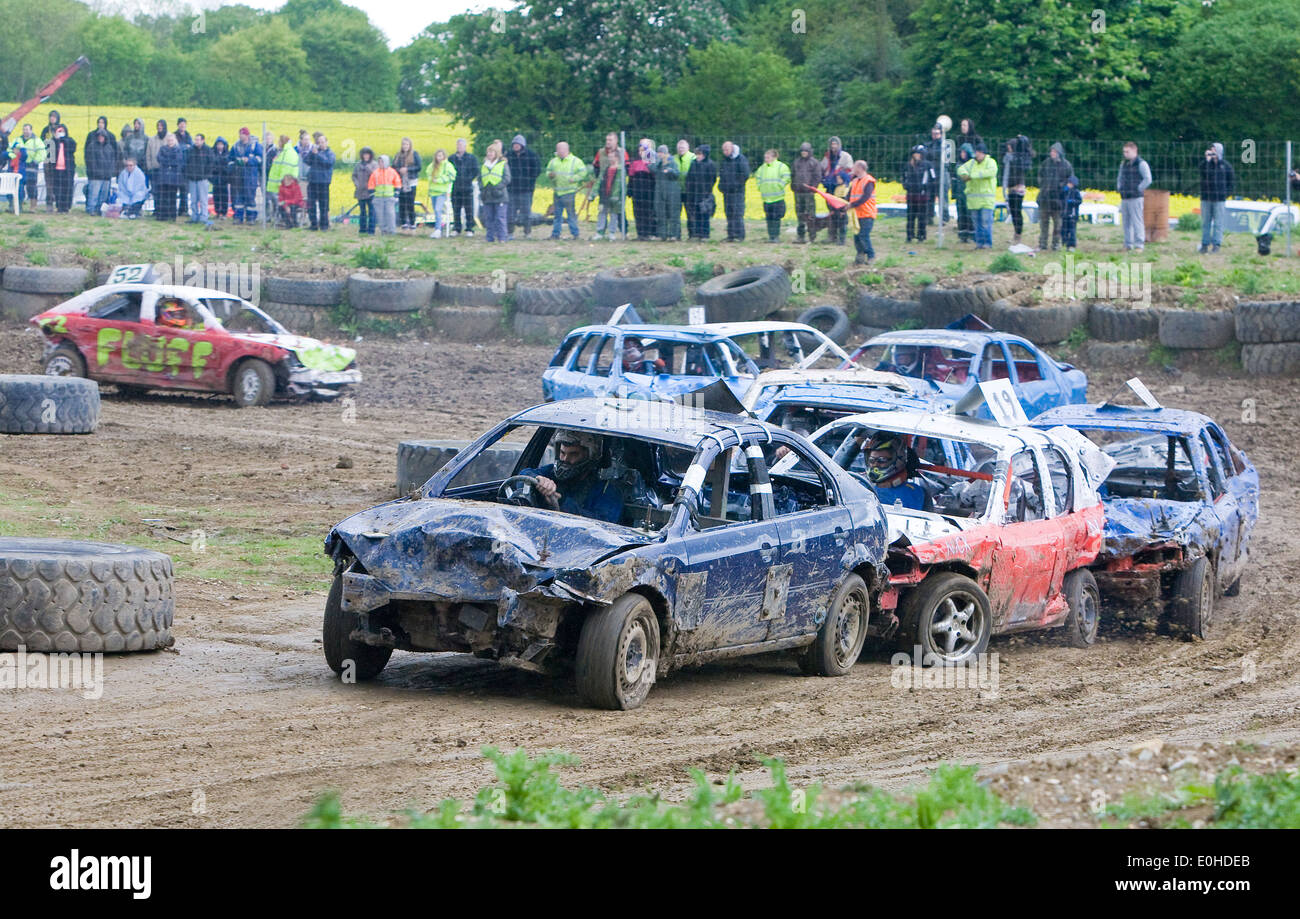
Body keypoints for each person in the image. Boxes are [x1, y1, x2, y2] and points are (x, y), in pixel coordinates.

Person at [518, 430, 624, 523]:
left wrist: (561, 502)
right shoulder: (549, 472)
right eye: (562, 453)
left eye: (573, 454)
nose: (565, 459)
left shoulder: (606, 491)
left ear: (590, 456)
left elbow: (603, 525)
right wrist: (537, 480)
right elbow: (523, 475)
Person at [865, 433, 926, 510]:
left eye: (882, 460)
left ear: (898, 461)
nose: (875, 465)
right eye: (871, 460)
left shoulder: (911, 491)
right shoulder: (861, 484)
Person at [958, 142, 998, 249]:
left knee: (986, 223)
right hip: (973, 200)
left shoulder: (991, 162)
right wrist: (964, 175)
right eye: (976, 152)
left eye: (979, 153)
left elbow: (991, 172)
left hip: (986, 200)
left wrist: (972, 176)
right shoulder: (971, 163)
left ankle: (987, 243)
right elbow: (960, 169)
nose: (977, 155)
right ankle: (979, 243)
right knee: (977, 224)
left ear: (984, 153)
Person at [546, 141, 587, 240]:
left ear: (566, 150)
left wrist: (574, 178)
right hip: (557, 192)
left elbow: (583, 172)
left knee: (571, 214)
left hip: (569, 192)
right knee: (557, 215)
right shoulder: (553, 161)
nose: (559, 151)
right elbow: (547, 172)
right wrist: (550, 175)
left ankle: (575, 234)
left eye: (561, 149)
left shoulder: (575, 161)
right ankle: (555, 234)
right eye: (557, 149)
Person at [1199, 142, 1234, 254]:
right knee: (1206, 222)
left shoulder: (1226, 166)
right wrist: (1207, 160)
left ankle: (1216, 244)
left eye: (1214, 149)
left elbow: (1231, 182)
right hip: (1206, 198)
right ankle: (1204, 244)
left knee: (1218, 222)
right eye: (1211, 149)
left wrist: (1225, 194)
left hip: (1219, 199)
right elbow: (1202, 172)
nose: (1212, 151)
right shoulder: (1206, 164)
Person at [1036, 142, 1073, 251]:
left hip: (1058, 200)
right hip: (1045, 198)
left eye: (1054, 151)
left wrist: (1061, 187)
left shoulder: (1066, 165)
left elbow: (1070, 180)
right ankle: (1043, 244)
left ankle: (1055, 244)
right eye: (1051, 151)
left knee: (1058, 224)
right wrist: (1043, 186)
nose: (1052, 153)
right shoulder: (1045, 163)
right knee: (1043, 224)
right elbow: (1040, 175)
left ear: (1059, 153)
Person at [1117, 141, 1152, 252]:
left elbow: (1148, 179)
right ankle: (1128, 244)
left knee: (1137, 221)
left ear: (1134, 151)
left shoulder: (1142, 164)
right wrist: (1120, 188)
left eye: (1127, 151)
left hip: (1136, 197)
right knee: (1126, 222)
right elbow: (1120, 177)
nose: (1125, 154)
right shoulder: (1124, 164)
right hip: (1125, 196)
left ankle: (1139, 245)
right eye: (1124, 152)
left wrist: (1138, 189)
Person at [505, 134, 540, 238]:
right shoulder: (508, 156)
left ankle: (527, 232)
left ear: (522, 145)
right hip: (512, 189)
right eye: (514, 144)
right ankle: (510, 232)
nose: (516, 146)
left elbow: (537, 170)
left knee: (526, 212)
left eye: (518, 144)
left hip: (526, 190)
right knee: (510, 212)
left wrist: (529, 180)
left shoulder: (531, 155)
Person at [753, 148, 790, 243]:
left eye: (768, 157)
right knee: (769, 218)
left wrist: (779, 185)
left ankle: (776, 236)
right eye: (765, 157)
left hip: (778, 198)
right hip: (766, 199)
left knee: (776, 218)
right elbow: (758, 178)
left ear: (774, 157)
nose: (766, 159)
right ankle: (771, 236)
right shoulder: (762, 168)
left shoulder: (781, 166)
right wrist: (760, 187)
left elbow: (786, 177)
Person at [820, 136, 853, 245]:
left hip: (841, 189)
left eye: (835, 144)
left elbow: (850, 171)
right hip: (829, 187)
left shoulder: (845, 156)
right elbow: (822, 168)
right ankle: (832, 236)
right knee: (831, 212)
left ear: (839, 145)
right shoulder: (827, 157)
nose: (833, 146)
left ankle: (842, 237)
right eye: (832, 144)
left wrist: (841, 177)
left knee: (841, 213)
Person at [593, 133, 626, 240]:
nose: (608, 142)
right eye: (607, 140)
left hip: (616, 192)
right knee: (602, 212)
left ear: (616, 140)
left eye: (610, 140)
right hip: (604, 189)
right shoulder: (601, 152)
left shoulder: (622, 152)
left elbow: (628, 168)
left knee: (616, 213)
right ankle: (600, 231)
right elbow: (596, 167)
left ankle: (621, 232)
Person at [846, 159, 877, 265]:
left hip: (867, 213)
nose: (852, 169)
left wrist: (851, 205)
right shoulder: (854, 181)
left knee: (864, 235)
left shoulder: (869, 181)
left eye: (854, 167)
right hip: (856, 214)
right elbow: (848, 196)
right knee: (857, 236)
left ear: (860, 168)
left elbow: (865, 197)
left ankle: (871, 256)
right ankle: (860, 256)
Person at [478, 140, 510, 242]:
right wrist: (482, 187)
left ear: (496, 153)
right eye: (488, 152)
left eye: (492, 152)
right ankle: (489, 238)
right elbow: (480, 178)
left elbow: (507, 178)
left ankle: (502, 237)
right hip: (487, 195)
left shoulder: (502, 164)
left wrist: (497, 187)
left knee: (500, 218)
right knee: (489, 218)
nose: (489, 154)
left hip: (499, 195)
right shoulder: (484, 166)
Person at [718, 140, 750, 241]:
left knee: (737, 213)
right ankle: (731, 235)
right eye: (723, 150)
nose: (725, 151)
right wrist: (721, 186)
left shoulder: (740, 159)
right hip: (727, 192)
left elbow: (745, 175)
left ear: (732, 148)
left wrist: (735, 186)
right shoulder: (724, 160)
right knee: (729, 213)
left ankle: (739, 235)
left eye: (726, 149)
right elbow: (722, 174)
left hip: (737, 192)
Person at [684, 143, 717, 240]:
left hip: (705, 194)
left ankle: (705, 235)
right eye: (697, 154)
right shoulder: (693, 163)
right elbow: (689, 178)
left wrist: (707, 191)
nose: (698, 156)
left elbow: (712, 179)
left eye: (700, 154)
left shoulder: (710, 164)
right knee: (696, 214)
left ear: (705, 154)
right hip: (693, 194)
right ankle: (697, 234)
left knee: (704, 214)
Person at [229, 128, 263, 223]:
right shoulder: (235, 146)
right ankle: (238, 217)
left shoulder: (255, 145)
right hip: (238, 175)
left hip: (250, 175)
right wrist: (236, 163)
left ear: (247, 135)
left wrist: (249, 160)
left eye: (242, 134)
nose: (240, 136)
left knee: (250, 197)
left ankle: (251, 217)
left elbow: (260, 159)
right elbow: (230, 159)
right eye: (239, 134)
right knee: (238, 197)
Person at [1003, 135, 1032, 244]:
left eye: (1010, 146)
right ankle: (1016, 234)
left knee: (1017, 212)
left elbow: (1024, 144)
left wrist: (1020, 139)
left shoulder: (1019, 160)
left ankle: (1018, 235)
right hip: (1011, 188)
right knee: (1013, 212)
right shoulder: (1008, 159)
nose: (1008, 148)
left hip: (1018, 188)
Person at [303, 134, 335, 231]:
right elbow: (306, 161)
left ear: (326, 142)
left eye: (322, 142)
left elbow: (328, 163)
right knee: (311, 204)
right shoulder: (315, 152)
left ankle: (324, 225)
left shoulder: (330, 153)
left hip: (323, 182)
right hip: (312, 181)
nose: (320, 144)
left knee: (324, 205)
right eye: (318, 142)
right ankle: (313, 224)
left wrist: (317, 155)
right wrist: (312, 153)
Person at [902, 145, 934, 243]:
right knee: (910, 216)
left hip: (923, 196)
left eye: (918, 154)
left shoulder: (928, 165)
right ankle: (909, 235)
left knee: (922, 217)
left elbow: (933, 179)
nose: (916, 156)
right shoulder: (908, 165)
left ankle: (921, 236)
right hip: (911, 195)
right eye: (915, 154)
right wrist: (906, 185)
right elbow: (903, 177)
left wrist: (928, 189)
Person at [627, 139, 658, 239]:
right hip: (637, 191)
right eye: (640, 150)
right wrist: (630, 189)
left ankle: (650, 233)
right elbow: (631, 177)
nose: (641, 152)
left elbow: (655, 175)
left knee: (649, 212)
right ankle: (641, 233)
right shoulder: (635, 162)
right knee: (638, 212)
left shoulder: (652, 159)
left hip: (649, 191)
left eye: (644, 150)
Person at [448, 138, 478, 236]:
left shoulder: (471, 158)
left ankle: (469, 228)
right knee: (456, 209)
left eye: (461, 145)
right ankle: (457, 228)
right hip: (455, 188)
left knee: (469, 209)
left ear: (465, 146)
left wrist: (468, 179)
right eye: (458, 145)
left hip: (467, 188)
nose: (459, 147)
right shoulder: (451, 158)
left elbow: (475, 170)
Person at [184, 133, 216, 226]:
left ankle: (203, 217)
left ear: (203, 140)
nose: (196, 142)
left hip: (203, 179)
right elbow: (186, 163)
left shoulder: (208, 150)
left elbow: (211, 164)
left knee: (203, 199)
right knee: (193, 199)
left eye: (198, 140)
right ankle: (194, 217)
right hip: (192, 179)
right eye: (195, 139)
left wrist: (206, 175)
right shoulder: (190, 150)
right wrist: (189, 174)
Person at [792, 141, 820, 243]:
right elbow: (793, 175)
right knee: (800, 214)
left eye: (806, 151)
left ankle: (812, 236)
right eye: (802, 151)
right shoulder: (796, 162)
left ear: (809, 151)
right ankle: (800, 236)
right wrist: (794, 186)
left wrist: (812, 188)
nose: (803, 153)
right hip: (798, 192)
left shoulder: (814, 162)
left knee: (810, 214)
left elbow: (817, 177)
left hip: (809, 193)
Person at [652, 144, 681, 241]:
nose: (659, 155)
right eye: (658, 153)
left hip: (672, 192)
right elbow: (651, 167)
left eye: (661, 153)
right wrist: (647, 153)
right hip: (660, 191)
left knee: (673, 213)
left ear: (666, 153)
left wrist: (670, 171)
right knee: (660, 213)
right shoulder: (659, 164)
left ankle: (674, 235)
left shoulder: (672, 163)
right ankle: (662, 235)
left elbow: (677, 174)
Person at [425, 148, 456, 238]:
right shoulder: (432, 166)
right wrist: (432, 180)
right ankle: (438, 228)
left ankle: (438, 229)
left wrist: (439, 180)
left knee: (438, 209)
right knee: (435, 210)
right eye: (437, 155)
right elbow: (428, 174)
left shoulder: (448, 165)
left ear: (444, 156)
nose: (439, 158)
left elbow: (451, 176)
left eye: (440, 155)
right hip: (433, 192)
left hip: (442, 192)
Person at [368, 154, 401, 235]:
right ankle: (384, 230)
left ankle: (392, 231)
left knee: (390, 214)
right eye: (379, 162)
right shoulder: (375, 173)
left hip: (389, 197)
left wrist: (396, 195)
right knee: (380, 216)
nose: (380, 163)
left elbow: (397, 183)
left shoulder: (392, 172)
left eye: (382, 162)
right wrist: (372, 196)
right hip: (378, 198)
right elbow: (371, 184)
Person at [393, 137, 422, 230]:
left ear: (410, 145)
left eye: (407, 144)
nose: (405, 146)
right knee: (402, 202)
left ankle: (412, 222)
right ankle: (403, 222)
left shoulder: (414, 154)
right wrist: (399, 170)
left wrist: (408, 169)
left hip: (411, 181)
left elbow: (419, 167)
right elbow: (393, 167)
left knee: (410, 202)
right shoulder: (398, 155)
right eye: (403, 144)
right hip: (400, 181)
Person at [47, 125, 76, 214]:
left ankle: (66, 207)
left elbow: (73, 148)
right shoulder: (53, 141)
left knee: (67, 188)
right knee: (57, 189)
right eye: (58, 131)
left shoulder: (70, 141)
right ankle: (59, 206)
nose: (60, 133)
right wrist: (56, 140)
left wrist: (63, 140)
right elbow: (49, 154)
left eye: (62, 131)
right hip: (56, 170)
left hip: (67, 170)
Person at [154, 133, 183, 221]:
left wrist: (167, 161)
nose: (170, 142)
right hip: (163, 177)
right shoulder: (162, 149)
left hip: (173, 178)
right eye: (168, 140)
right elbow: (159, 158)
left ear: (175, 141)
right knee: (163, 197)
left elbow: (177, 161)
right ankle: (163, 215)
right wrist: (169, 161)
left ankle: (172, 215)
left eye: (172, 140)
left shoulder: (178, 150)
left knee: (172, 197)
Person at [13, 124, 44, 205]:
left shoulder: (37, 141)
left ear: (31, 130)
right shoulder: (17, 140)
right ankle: (19, 205)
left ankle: (33, 206)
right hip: (20, 166)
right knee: (19, 185)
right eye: (24, 129)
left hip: (31, 166)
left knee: (31, 186)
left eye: (27, 129)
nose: (25, 131)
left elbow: (42, 153)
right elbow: (11, 150)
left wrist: (35, 161)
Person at [352, 146, 378, 235]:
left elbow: (375, 175)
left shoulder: (374, 164)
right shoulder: (358, 165)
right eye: (364, 154)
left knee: (371, 210)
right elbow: (354, 175)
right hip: (360, 191)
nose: (366, 156)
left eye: (367, 154)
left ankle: (371, 229)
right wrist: (357, 183)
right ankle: (362, 228)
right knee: (362, 210)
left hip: (370, 191)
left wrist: (367, 168)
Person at [41, 110, 63, 211]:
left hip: (59, 159)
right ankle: (49, 203)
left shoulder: (61, 128)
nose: (52, 118)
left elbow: (64, 141)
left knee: (58, 182)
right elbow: (42, 143)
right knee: (48, 183)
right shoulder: (46, 129)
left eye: (54, 116)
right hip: (48, 158)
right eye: (51, 116)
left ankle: (58, 203)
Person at [953, 143, 974, 243]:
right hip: (959, 194)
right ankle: (962, 235)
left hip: (969, 194)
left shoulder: (973, 165)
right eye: (961, 152)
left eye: (964, 152)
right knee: (961, 214)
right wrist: (954, 194)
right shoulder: (958, 165)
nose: (962, 154)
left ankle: (971, 235)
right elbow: (955, 181)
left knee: (970, 215)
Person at [145, 119, 167, 209]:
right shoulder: (152, 139)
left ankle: (164, 209)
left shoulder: (170, 138)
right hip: (154, 169)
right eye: (158, 126)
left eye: (161, 126)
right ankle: (156, 209)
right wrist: (149, 167)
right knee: (155, 191)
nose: (159, 127)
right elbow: (148, 155)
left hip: (165, 171)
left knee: (165, 191)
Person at [174, 118, 193, 215]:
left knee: (184, 190)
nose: (182, 126)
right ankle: (174, 209)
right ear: (178, 125)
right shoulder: (174, 135)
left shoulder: (188, 136)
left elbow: (192, 148)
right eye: (181, 124)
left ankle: (183, 209)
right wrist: (186, 147)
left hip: (186, 167)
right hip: (176, 167)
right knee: (174, 189)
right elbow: (176, 147)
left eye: (184, 124)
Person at [210, 137, 232, 220]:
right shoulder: (212, 153)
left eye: (221, 144)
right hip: (215, 178)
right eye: (218, 144)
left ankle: (224, 212)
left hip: (224, 178)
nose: (220, 146)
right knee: (216, 196)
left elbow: (229, 166)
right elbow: (211, 166)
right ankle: (217, 212)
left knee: (224, 196)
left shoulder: (228, 154)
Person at [674, 139, 693, 232]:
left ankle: (692, 234)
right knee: (676, 213)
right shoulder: (673, 158)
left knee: (691, 213)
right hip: (677, 190)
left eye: (683, 148)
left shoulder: (693, 157)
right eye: (679, 148)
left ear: (688, 148)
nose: (681, 149)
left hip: (689, 190)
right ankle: (677, 234)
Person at [1061, 175, 1082, 251]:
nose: (1069, 184)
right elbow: (1060, 198)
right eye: (1068, 183)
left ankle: (1072, 245)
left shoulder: (1076, 192)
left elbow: (1079, 201)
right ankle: (1064, 243)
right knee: (1064, 230)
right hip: (1064, 214)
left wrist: (1072, 202)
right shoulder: (1064, 191)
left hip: (1072, 215)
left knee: (1072, 231)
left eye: (1071, 183)